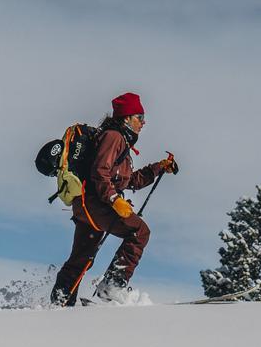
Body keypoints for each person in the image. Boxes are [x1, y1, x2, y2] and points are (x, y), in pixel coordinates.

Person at [50, 93, 177, 306]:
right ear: (126, 117)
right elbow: (100, 173)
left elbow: (130, 181)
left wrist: (158, 168)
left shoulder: (120, 142)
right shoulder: (114, 137)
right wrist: (114, 200)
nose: (143, 122)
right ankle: (113, 286)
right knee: (139, 231)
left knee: (82, 257)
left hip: (87, 205)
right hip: (95, 203)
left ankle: (61, 301)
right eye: (139, 116)